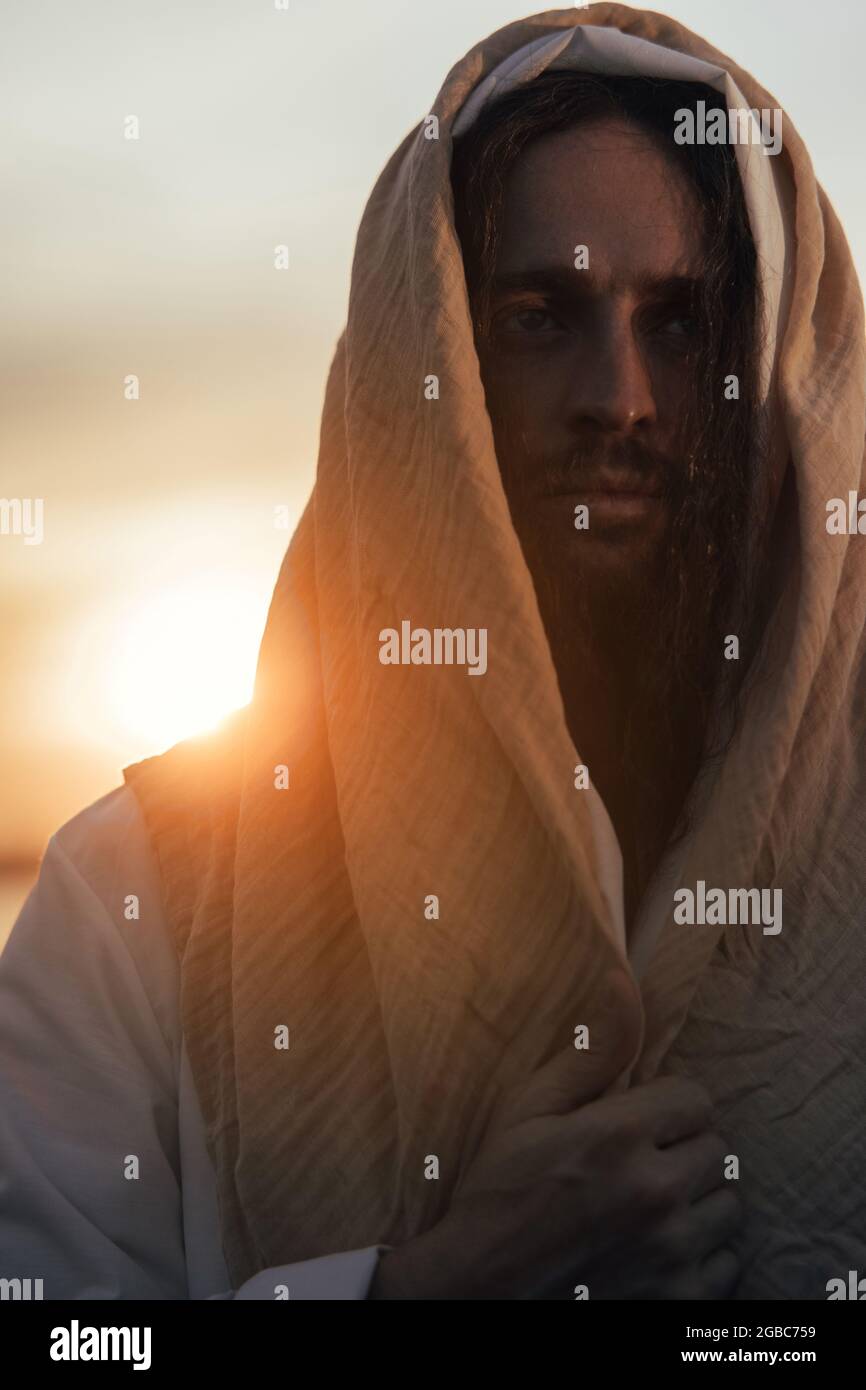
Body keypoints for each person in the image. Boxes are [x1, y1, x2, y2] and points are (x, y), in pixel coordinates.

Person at [2, 5, 864, 1301]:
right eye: (539, 316)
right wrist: (427, 1288)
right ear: (426, 368)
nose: (618, 396)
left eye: (679, 323)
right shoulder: (135, 902)